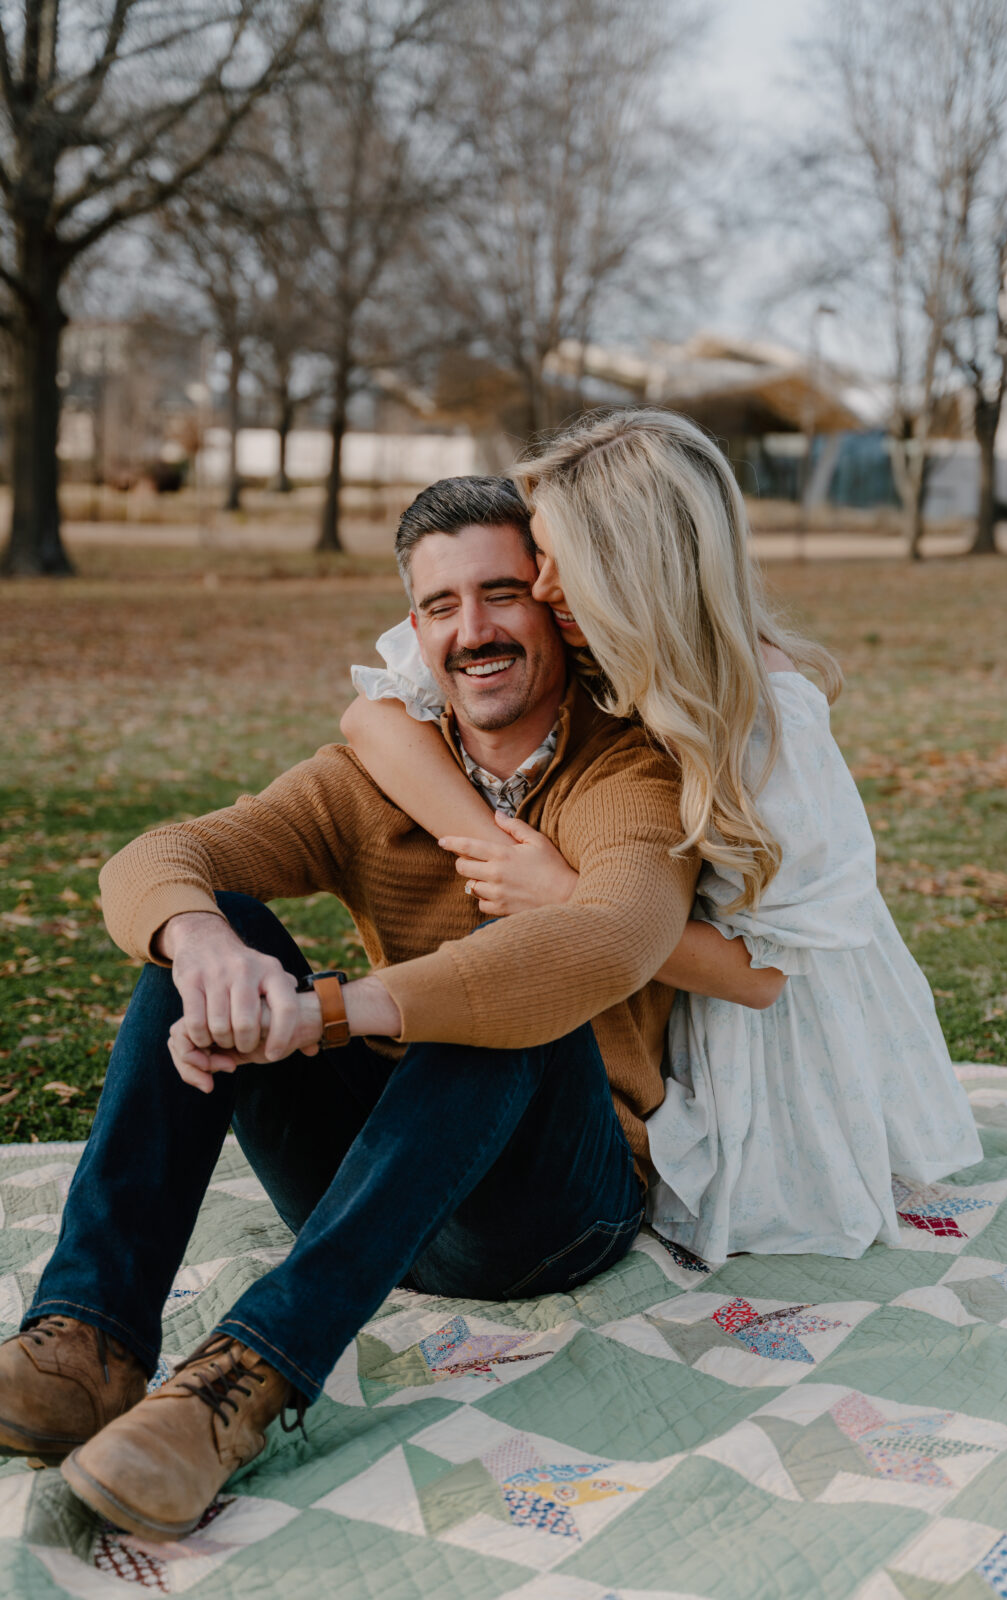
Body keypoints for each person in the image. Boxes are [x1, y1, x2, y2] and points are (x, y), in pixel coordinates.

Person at [0, 475, 700, 1543]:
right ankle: (87, 1343)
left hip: (550, 1208)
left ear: (557, 604)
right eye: (439, 605)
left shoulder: (628, 772)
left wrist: (328, 1011)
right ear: (414, 628)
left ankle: (240, 1384)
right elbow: (159, 855)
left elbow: (610, 936)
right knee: (214, 927)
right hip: (372, 1177)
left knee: (511, 996)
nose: (472, 630)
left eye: (502, 594)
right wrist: (201, 942)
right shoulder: (374, 777)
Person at [343, 408, 982, 1267]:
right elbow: (372, 717)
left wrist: (564, 897)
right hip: (648, 987)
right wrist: (493, 845)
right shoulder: (595, 645)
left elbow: (763, 979)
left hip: (769, 1026)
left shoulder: (766, 715)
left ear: (632, 565)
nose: (540, 588)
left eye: (558, 562)